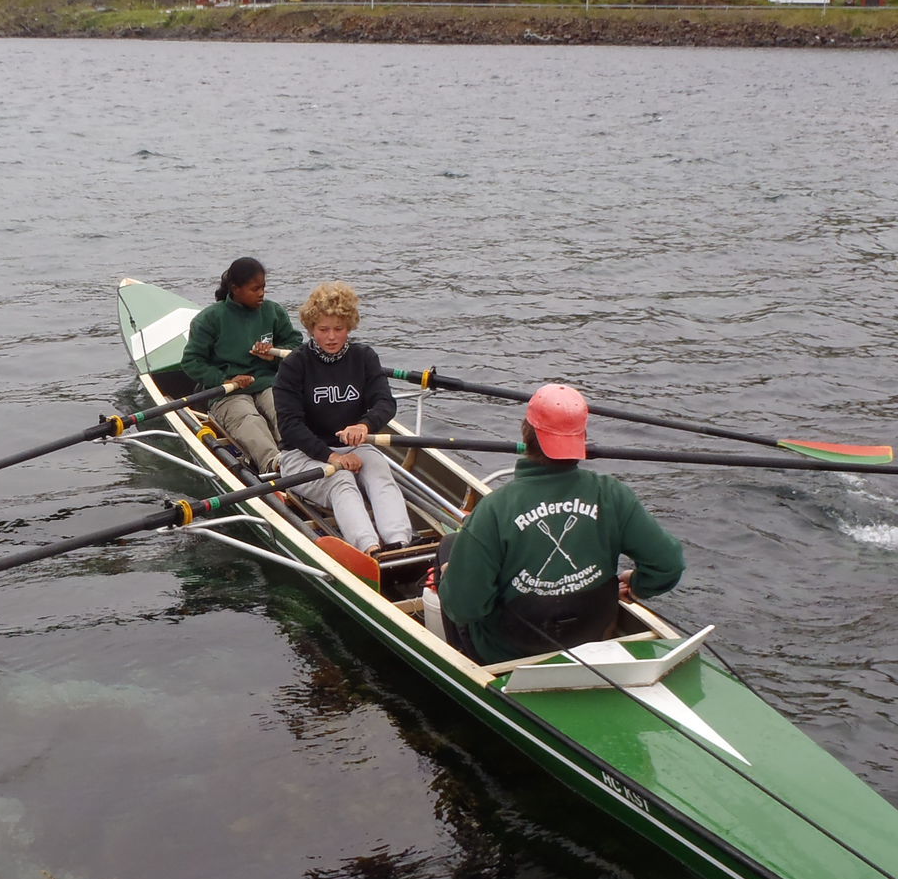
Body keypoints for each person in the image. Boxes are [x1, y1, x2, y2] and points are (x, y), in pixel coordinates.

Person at [437, 383, 683, 665]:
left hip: (508, 652)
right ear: (582, 438)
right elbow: (668, 566)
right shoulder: (612, 494)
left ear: (526, 433)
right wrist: (638, 586)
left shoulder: (494, 510)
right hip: (591, 635)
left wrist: (450, 577)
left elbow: (464, 609)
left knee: (449, 546)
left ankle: (461, 658)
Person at [272, 281, 414, 555]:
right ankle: (369, 550)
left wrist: (365, 425)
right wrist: (332, 457)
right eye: (323, 329)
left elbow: (385, 402)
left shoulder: (364, 357)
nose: (331, 337)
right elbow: (290, 426)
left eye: (339, 329)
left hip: (353, 446)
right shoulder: (294, 365)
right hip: (302, 455)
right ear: (311, 328)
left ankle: (400, 544)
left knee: (380, 471)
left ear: (349, 327)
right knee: (342, 481)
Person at [179, 257, 302, 473]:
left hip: (268, 383)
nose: (262, 293)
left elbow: (295, 347)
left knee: (282, 410)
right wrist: (225, 380)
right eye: (255, 289)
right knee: (249, 420)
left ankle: (301, 454)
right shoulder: (209, 319)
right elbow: (191, 362)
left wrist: (273, 355)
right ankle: (274, 464)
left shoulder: (273, 312)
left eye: (263, 287)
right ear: (235, 289)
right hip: (228, 392)